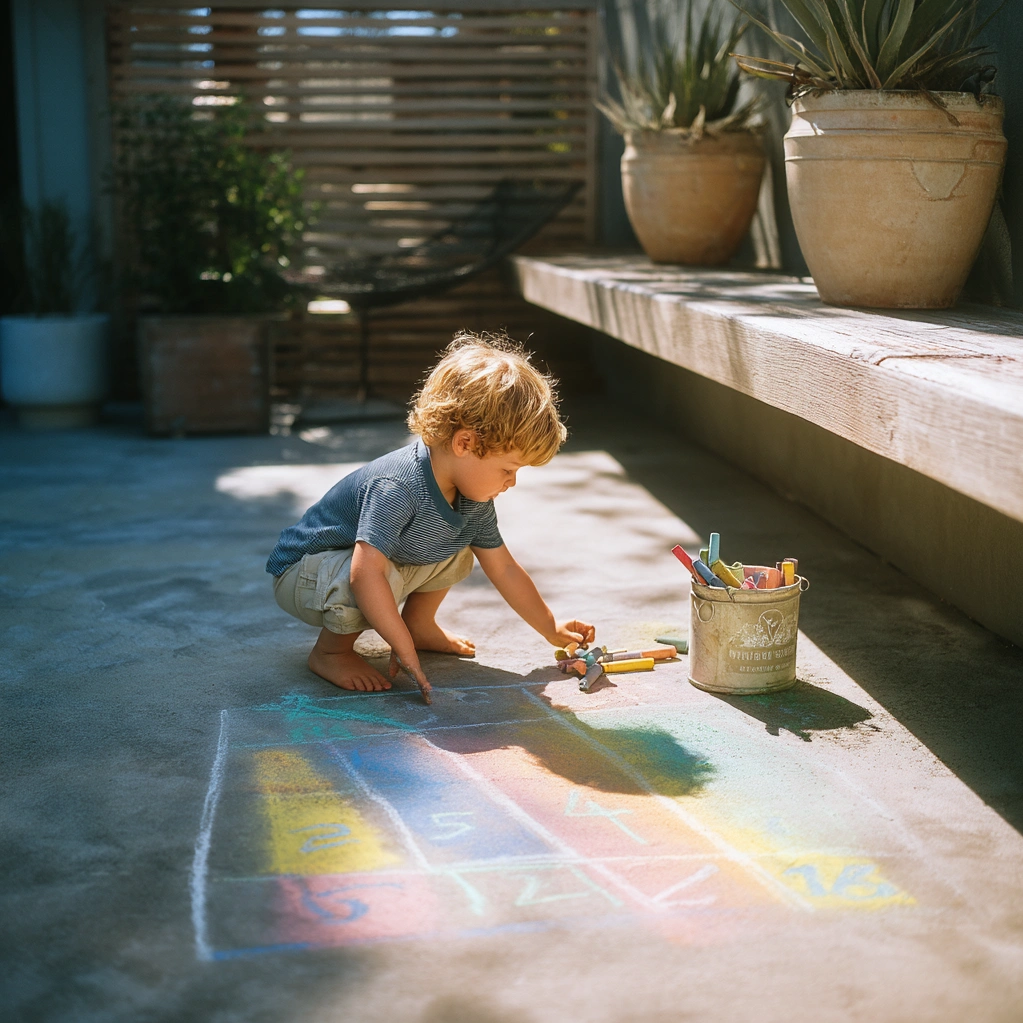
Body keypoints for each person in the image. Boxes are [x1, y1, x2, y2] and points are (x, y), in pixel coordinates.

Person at [267, 332, 595, 703]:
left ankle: (419, 625)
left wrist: (550, 629)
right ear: (465, 443)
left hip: (357, 570)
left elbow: (503, 568)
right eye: (508, 468)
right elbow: (364, 573)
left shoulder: (473, 499)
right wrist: (400, 647)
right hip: (304, 574)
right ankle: (331, 652)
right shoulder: (398, 486)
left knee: (460, 548)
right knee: (373, 572)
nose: (512, 482)